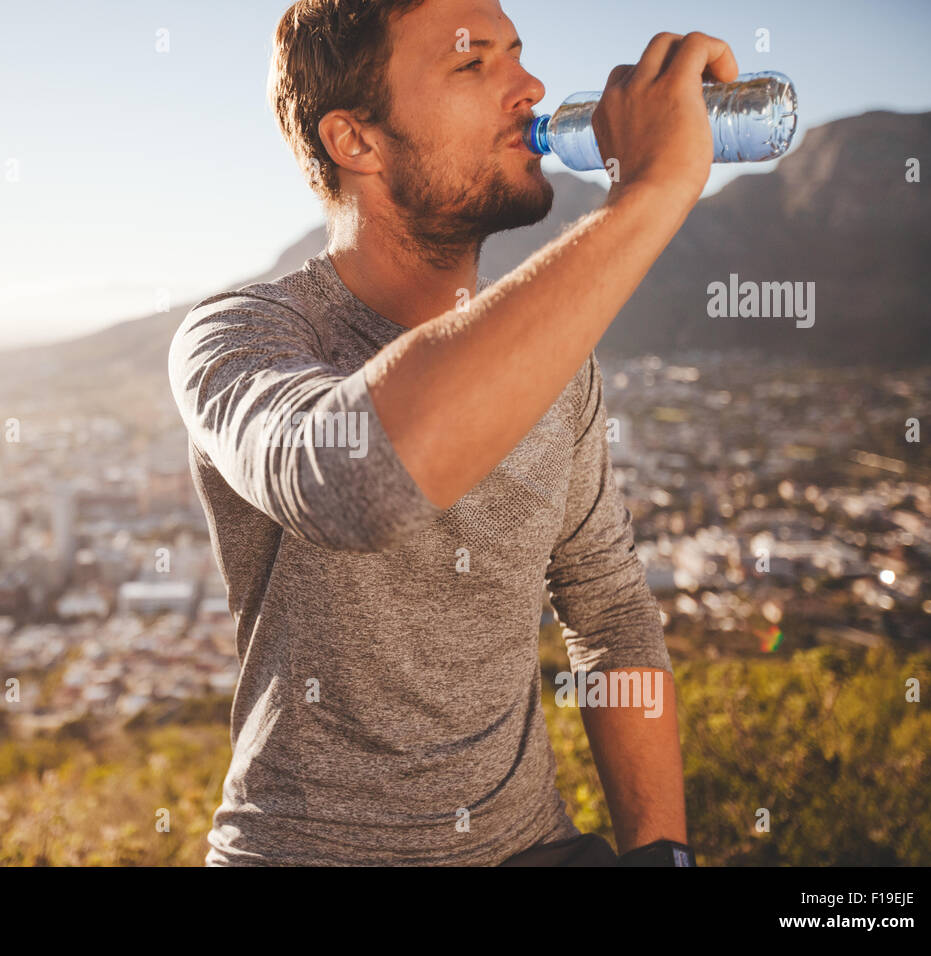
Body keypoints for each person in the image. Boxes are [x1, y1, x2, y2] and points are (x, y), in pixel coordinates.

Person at [167, 0, 731, 866]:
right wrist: (650, 196)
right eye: (474, 65)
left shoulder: (558, 362)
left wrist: (664, 854)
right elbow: (346, 482)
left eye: (519, 55)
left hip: (531, 847)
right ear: (356, 141)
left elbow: (612, 614)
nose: (531, 88)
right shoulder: (241, 335)